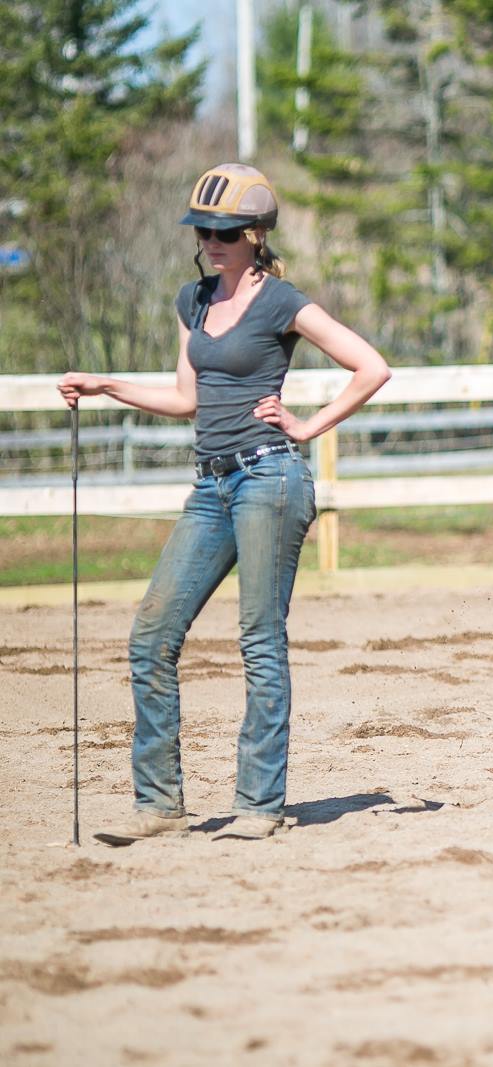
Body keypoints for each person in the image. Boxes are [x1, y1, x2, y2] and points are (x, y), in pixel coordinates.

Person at [58, 163, 391, 844]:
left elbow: (372, 366)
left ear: (255, 232)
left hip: (269, 479)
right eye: (203, 229)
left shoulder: (281, 302)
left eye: (224, 230)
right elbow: (187, 399)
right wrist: (105, 385)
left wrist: (307, 424)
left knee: (260, 641)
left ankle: (259, 805)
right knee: (151, 636)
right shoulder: (194, 300)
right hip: (210, 485)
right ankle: (159, 805)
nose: (211, 239)